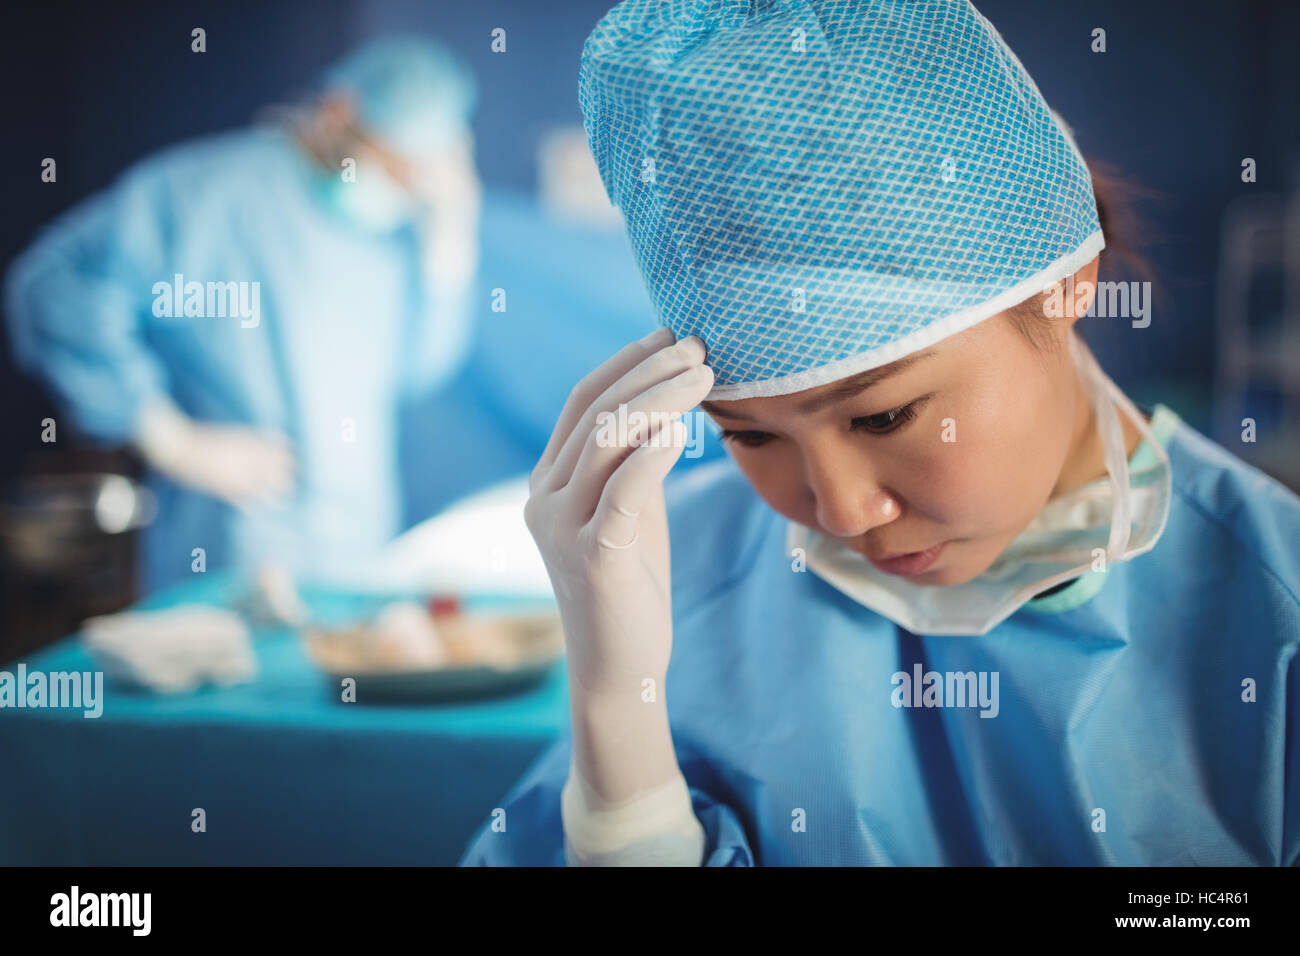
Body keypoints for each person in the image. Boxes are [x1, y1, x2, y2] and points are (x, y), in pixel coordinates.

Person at [459, 0, 1300, 865]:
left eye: (885, 415)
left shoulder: (1276, 625)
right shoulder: (687, 582)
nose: (842, 512)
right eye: (750, 435)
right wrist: (620, 770)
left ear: (1067, 285)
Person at [5, 36, 481, 593]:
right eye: (396, 166)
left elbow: (414, 371)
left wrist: (450, 253)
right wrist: (170, 439)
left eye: (422, 175)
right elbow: (55, 288)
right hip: (230, 546)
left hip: (357, 545)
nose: (406, 190)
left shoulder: (389, 234)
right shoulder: (204, 196)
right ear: (338, 115)